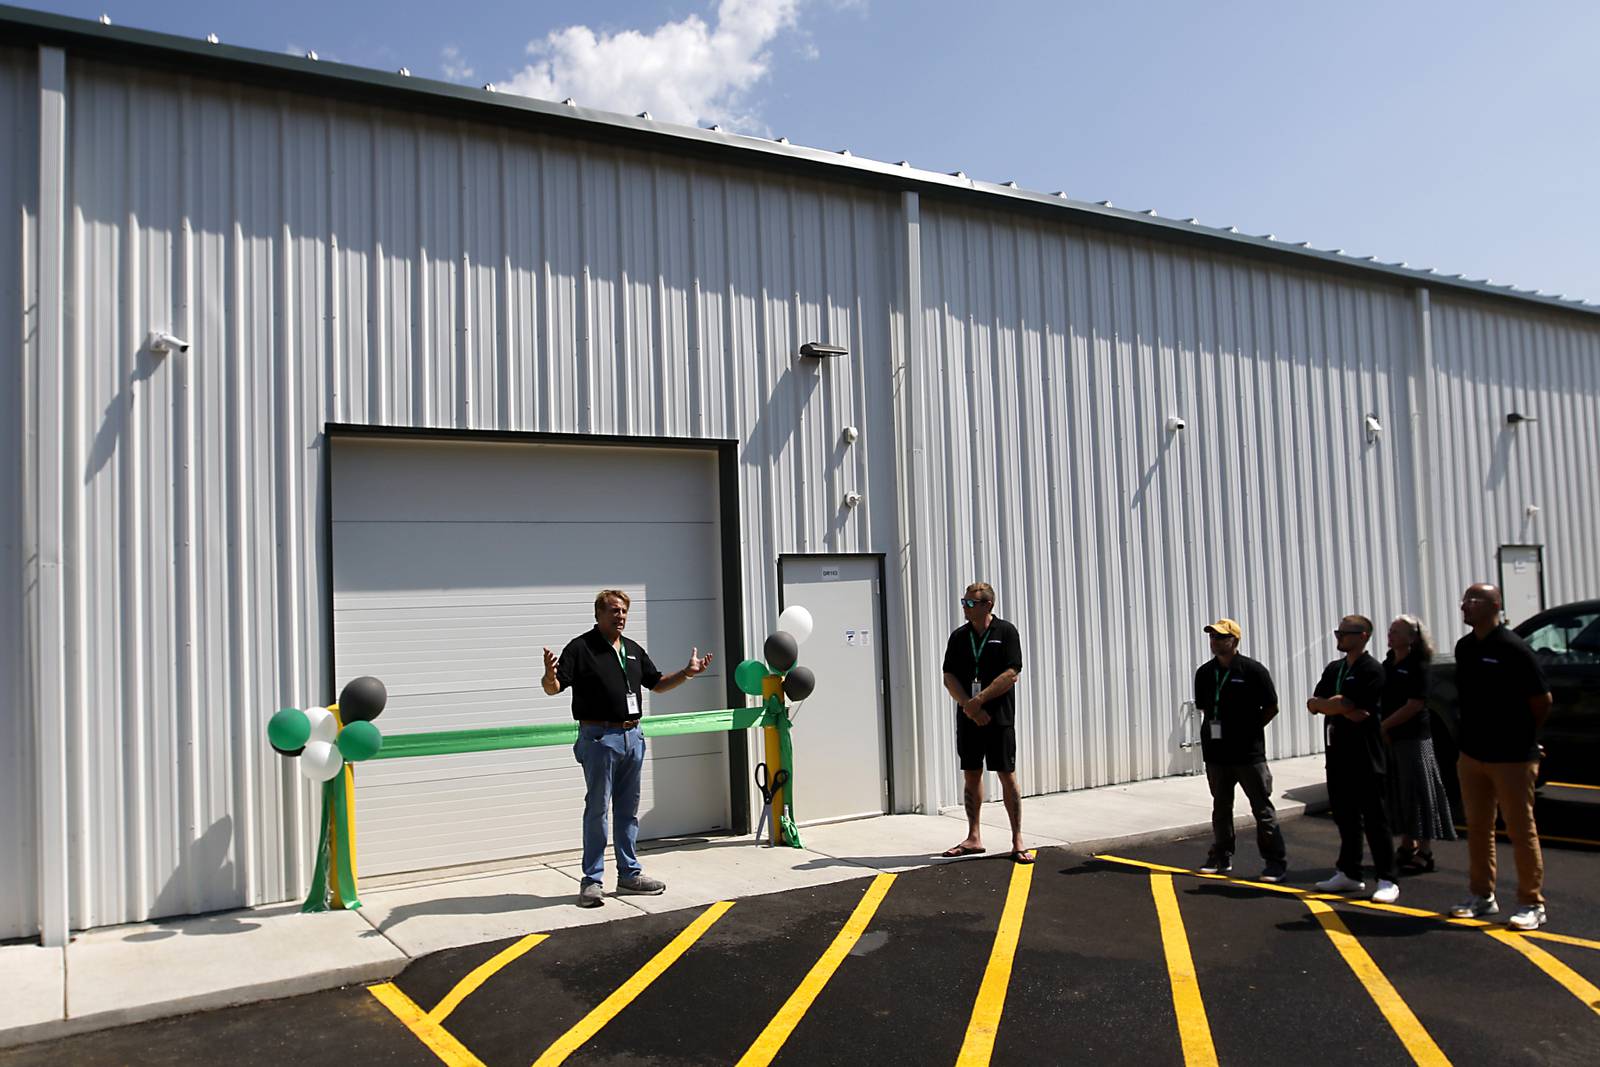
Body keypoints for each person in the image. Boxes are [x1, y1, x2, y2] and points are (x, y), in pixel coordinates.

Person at [543, 589, 713, 907]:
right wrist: (549, 677)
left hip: (632, 737)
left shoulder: (633, 650)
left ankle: (629, 875)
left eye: (623, 611)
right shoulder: (581, 648)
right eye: (613, 610)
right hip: (599, 738)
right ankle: (592, 882)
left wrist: (687, 674)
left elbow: (657, 683)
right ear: (598, 614)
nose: (620, 616)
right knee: (597, 810)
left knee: (627, 811)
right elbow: (554, 688)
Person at [1448, 583, 1553, 929]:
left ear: (1495, 605)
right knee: (1478, 828)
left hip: (1512, 757)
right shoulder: (1465, 647)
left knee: (1521, 830)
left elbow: (1542, 701)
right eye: (1465, 599)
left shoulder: (1513, 648)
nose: (1465, 605)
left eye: (1474, 599)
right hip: (1473, 754)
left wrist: (1524, 737)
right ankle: (1482, 895)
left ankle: (1531, 902)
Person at [1307, 615, 1398, 903]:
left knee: (1375, 819)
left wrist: (1336, 705)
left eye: (1344, 633)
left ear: (1363, 636)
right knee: (1345, 816)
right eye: (1338, 632)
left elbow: (1348, 705)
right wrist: (1336, 706)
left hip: (1366, 756)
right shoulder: (1334, 668)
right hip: (1337, 755)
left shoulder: (1372, 670)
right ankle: (1349, 872)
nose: (1339, 637)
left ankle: (1387, 878)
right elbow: (1315, 703)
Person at [939, 582, 1030, 863]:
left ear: (988, 605)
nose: (965, 608)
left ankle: (1017, 839)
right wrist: (969, 705)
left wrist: (979, 700)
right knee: (971, 773)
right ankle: (973, 836)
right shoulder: (959, 636)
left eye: (971, 603)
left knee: (1006, 774)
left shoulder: (1006, 632)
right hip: (969, 717)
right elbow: (949, 676)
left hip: (998, 716)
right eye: (964, 602)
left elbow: (1011, 673)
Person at [1193, 618, 1288, 882]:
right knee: (1221, 806)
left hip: (1248, 754)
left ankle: (1275, 862)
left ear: (1234, 640)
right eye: (1212, 637)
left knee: (1261, 808)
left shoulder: (1253, 671)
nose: (1214, 641)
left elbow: (1271, 707)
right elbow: (1205, 708)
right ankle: (1221, 855)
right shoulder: (1205, 673)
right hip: (1217, 753)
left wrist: (1249, 730)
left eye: (1220, 637)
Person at [1379, 614, 1455, 874]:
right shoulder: (1389, 662)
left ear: (1412, 638)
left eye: (1396, 632)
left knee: (1420, 793)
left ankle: (1425, 851)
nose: (1390, 635)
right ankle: (1407, 844)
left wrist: (1385, 725)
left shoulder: (1418, 665)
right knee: (1401, 792)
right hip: (1391, 737)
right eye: (1390, 630)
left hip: (1413, 738)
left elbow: (1415, 704)